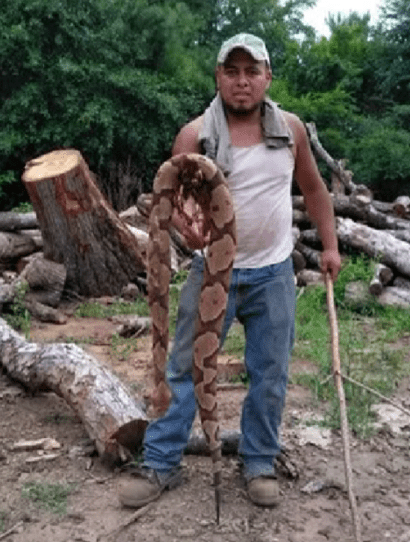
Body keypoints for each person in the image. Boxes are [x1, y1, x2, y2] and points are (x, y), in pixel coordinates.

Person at [118, 32, 342, 509]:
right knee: (182, 368)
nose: (242, 82)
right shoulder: (195, 135)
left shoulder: (291, 131)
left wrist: (330, 246)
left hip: (273, 272)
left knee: (271, 371)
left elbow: (315, 190)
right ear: (219, 76)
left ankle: (259, 461)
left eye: (252, 71)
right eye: (232, 71)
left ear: (267, 77)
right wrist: (186, 227)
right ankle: (160, 464)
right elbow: (173, 204)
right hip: (208, 273)